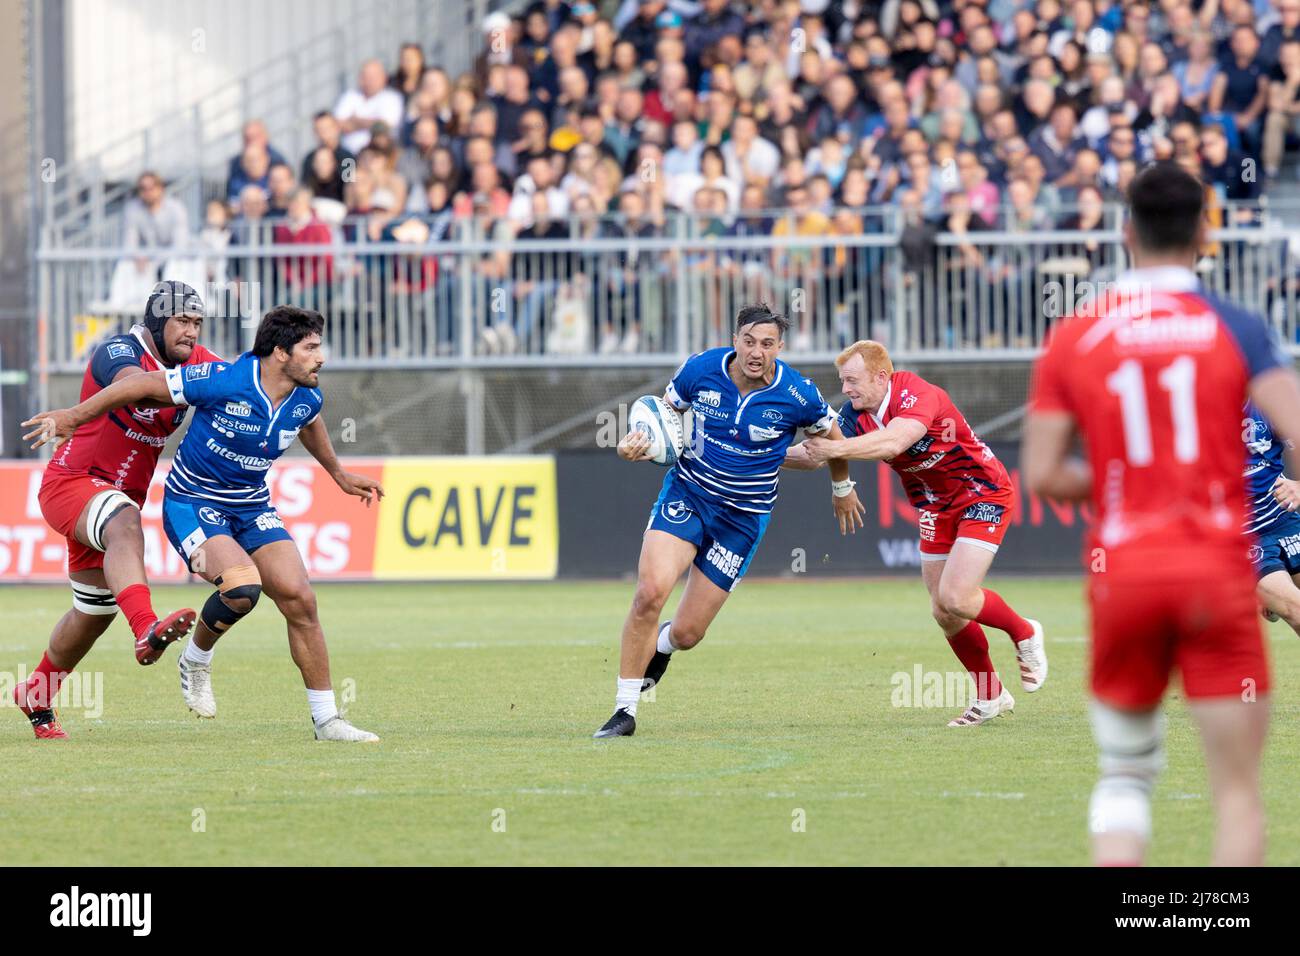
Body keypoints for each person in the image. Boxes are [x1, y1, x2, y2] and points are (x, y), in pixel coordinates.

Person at [1023, 162, 1300, 866]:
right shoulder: (1237, 326)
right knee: (1236, 793)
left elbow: (1044, 473)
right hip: (1215, 568)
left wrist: (1128, 478)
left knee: (1124, 776)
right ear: (1206, 234)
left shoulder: (1078, 334)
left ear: (1125, 232)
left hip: (1126, 574)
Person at [24, 307, 385, 742]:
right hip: (191, 501)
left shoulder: (307, 394)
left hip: (251, 505)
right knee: (241, 587)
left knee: (300, 600)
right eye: (311, 348)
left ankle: (327, 721)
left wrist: (340, 476)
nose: (321, 357)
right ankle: (190, 657)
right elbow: (140, 383)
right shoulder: (225, 378)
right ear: (279, 352)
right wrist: (76, 416)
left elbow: (309, 423)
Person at [592, 306, 862, 738]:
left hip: (742, 520)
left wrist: (842, 488)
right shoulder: (700, 369)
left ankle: (663, 645)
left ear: (780, 347)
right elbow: (664, 417)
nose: (757, 352)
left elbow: (833, 439)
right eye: (750, 341)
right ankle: (624, 710)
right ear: (735, 338)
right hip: (688, 496)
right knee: (649, 592)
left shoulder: (797, 393)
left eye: (768, 344)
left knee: (689, 633)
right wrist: (635, 445)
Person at [791, 340, 1047, 726]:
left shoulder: (917, 393)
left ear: (881, 377)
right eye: (842, 381)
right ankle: (990, 695)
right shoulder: (855, 414)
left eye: (851, 380)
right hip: (934, 506)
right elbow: (815, 455)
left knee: (957, 596)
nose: (845, 389)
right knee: (943, 610)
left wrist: (831, 452)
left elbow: (893, 441)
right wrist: (749, 452)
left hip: (982, 492)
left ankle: (1024, 631)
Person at [13, 282, 218, 739]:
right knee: (126, 522)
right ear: (156, 323)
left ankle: (36, 693)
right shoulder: (118, 349)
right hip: (72, 484)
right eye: (182, 322)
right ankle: (146, 631)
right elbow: (135, 388)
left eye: (197, 323)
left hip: (112, 501)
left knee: (94, 612)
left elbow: (245, 383)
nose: (191, 332)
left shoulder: (197, 362)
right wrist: (203, 388)